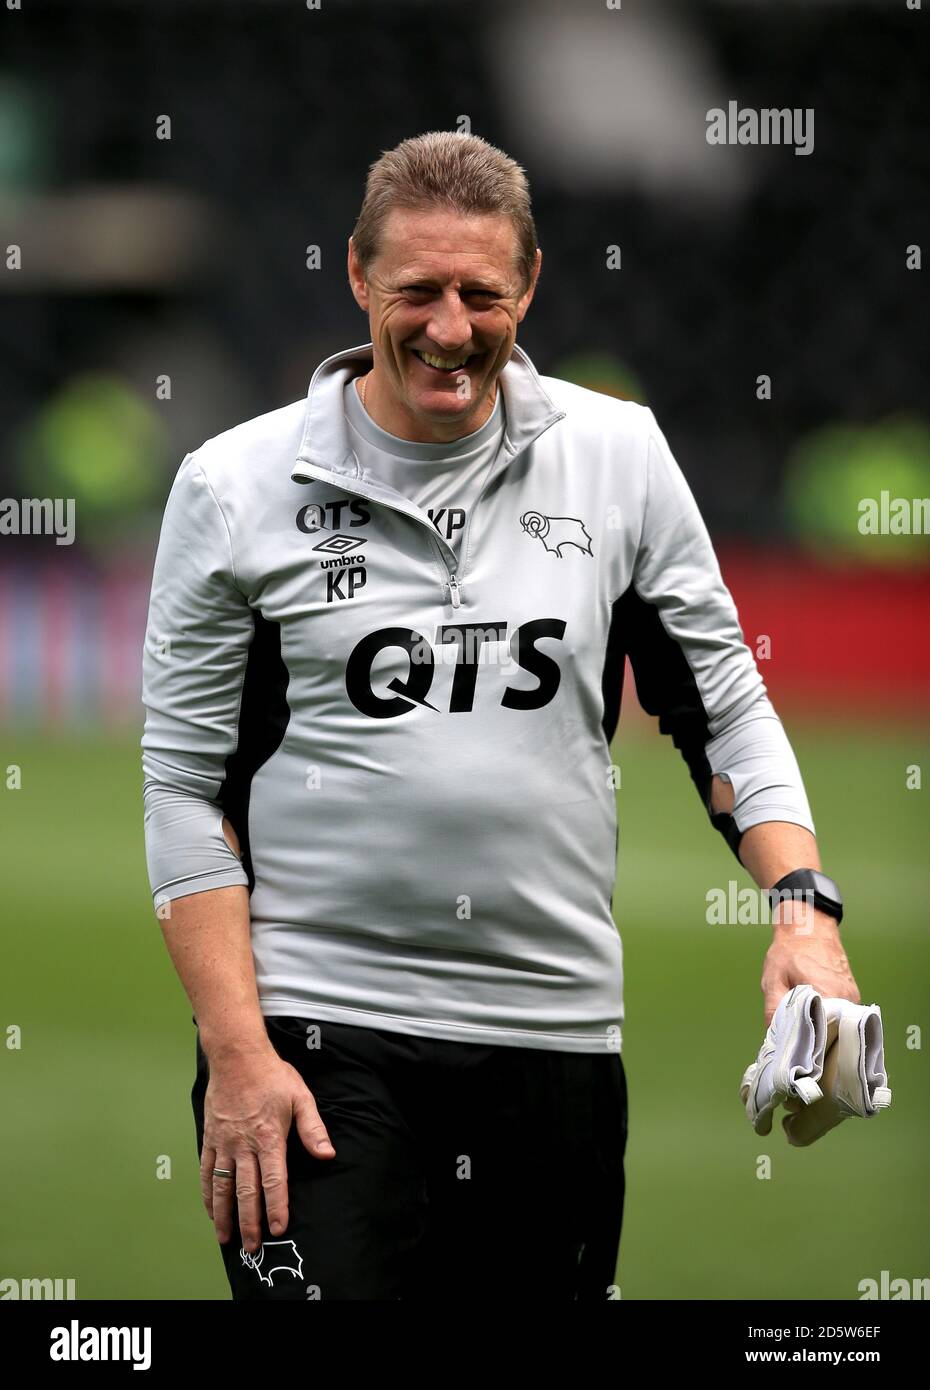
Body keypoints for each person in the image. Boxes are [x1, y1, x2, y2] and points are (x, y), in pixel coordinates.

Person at [140, 130, 860, 1301]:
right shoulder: (233, 486)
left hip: (555, 1036)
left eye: (482, 293)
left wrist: (803, 913)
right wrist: (235, 1050)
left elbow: (722, 702)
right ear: (359, 281)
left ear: (529, 285)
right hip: (320, 1034)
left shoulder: (617, 456)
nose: (449, 327)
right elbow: (184, 785)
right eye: (416, 290)